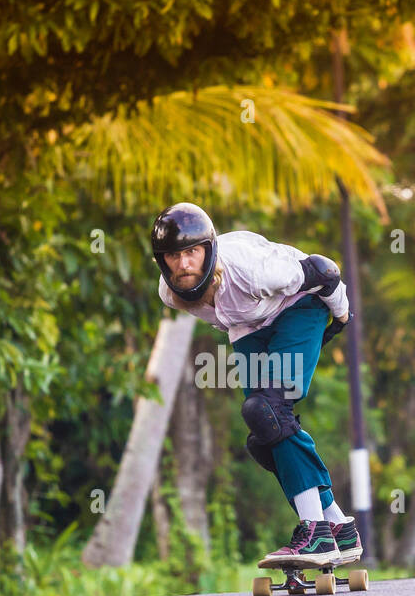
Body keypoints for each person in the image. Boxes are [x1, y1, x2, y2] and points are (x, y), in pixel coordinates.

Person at [151, 202, 362, 568]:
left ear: (209, 250)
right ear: (161, 260)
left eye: (192, 252)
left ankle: (315, 533)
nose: (184, 264)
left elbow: (324, 271)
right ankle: (338, 526)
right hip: (248, 325)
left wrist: (340, 317)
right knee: (263, 434)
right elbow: (226, 314)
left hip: (300, 305)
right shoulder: (170, 293)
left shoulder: (252, 270)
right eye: (173, 256)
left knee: (269, 411)